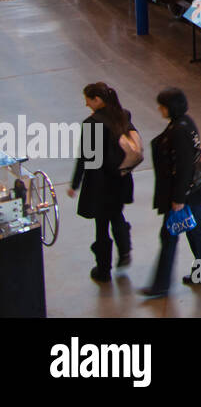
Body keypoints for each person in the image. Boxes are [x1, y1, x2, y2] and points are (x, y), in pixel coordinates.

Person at [139, 88, 201, 299]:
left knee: (170, 237)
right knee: (196, 234)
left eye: (162, 105)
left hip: (182, 196)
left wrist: (178, 199)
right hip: (192, 194)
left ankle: (161, 285)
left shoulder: (178, 130)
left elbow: (183, 168)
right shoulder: (185, 123)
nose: (159, 109)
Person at [67, 83, 139, 282]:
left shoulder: (92, 124)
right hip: (122, 179)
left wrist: (75, 184)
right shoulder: (124, 115)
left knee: (101, 226)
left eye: (88, 100)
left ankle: (103, 269)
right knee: (116, 214)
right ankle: (124, 249)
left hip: (100, 183)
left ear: (97, 99)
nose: (86, 104)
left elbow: (85, 157)